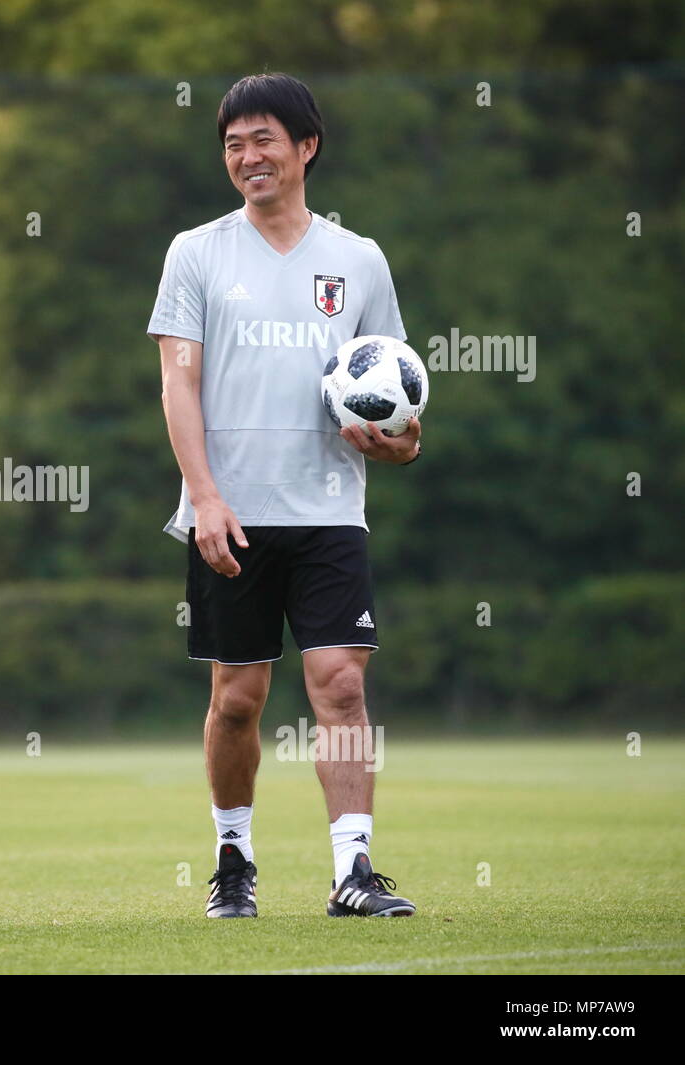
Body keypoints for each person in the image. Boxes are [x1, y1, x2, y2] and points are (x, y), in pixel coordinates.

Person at [149, 73, 420, 919]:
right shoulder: (196, 251)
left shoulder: (358, 259)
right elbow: (176, 383)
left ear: (306, 147)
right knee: (238, 696)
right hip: (231, 510)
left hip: (332, 510)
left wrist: (404, 441)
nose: (245, 156)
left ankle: (354, 869)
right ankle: (234, 857)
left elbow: (398, 390)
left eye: (262, 138)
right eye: (232, 143)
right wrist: (205, 497)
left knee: (340, 685)